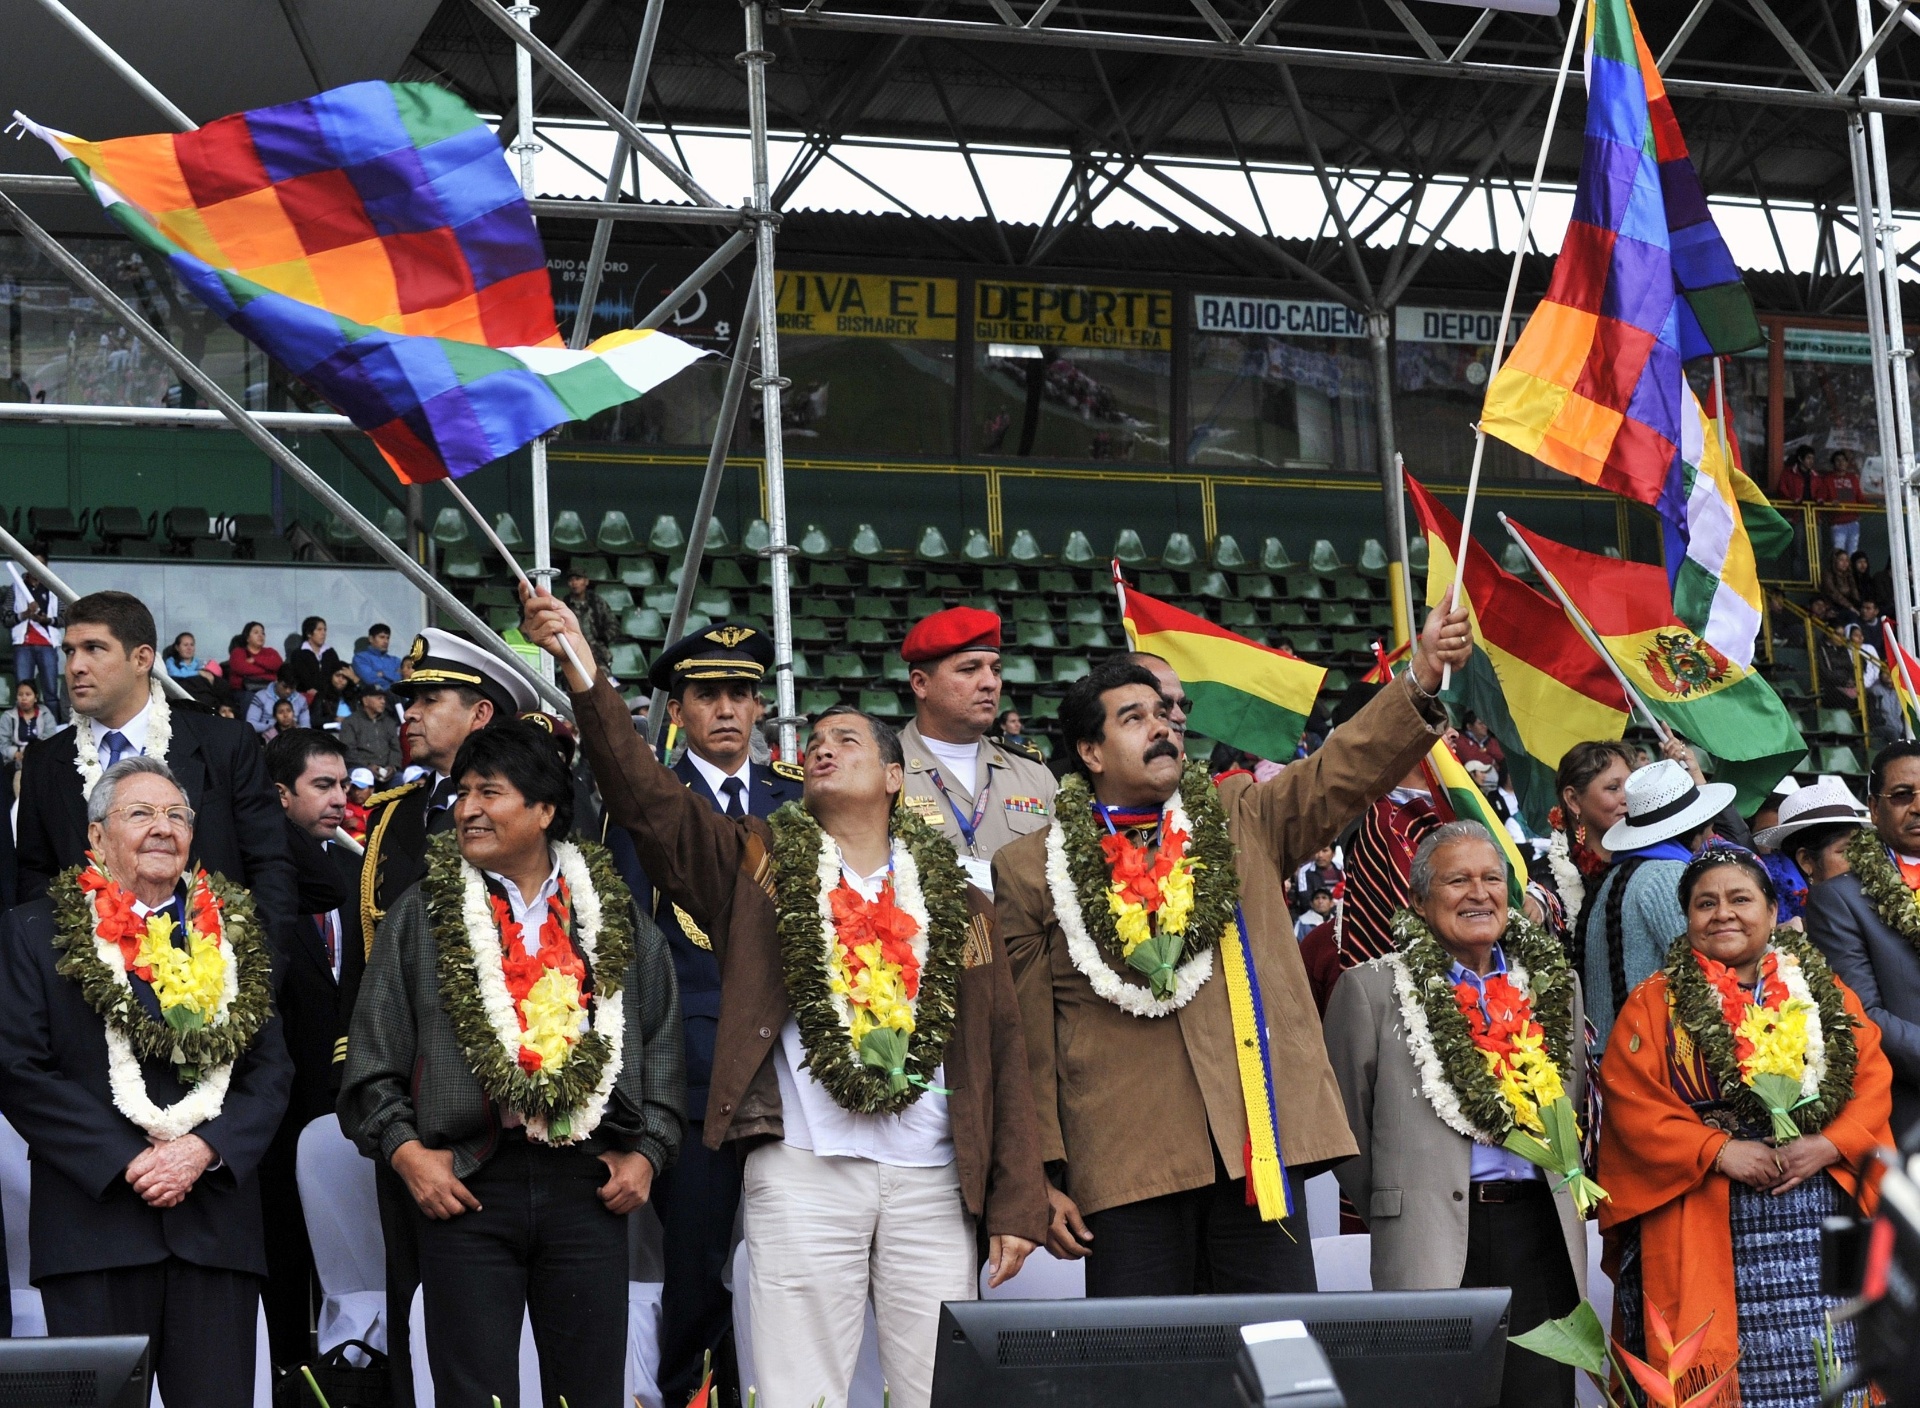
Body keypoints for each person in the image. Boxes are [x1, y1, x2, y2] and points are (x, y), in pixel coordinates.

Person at [522, 592, 1048, 1408]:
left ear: (896, 776)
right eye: (815, 741)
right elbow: (647, 803)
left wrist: (1016, 1196)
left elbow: (1001, 1053)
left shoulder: (959, 901)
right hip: (803, 1172)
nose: (822, 748)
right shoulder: (759, 869)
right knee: (798, 1395)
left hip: (934, 1186)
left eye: (846, 739)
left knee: (937, 1394)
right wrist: (582, 669)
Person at [994, 604, 1471, 1298]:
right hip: (1126, 1169)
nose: (1162, 727)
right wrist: (1039, 1175)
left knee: (1277, 1365)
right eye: (1134, 718)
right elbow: (1027, 1041)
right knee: (1150, 1374)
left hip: (1256, 1157)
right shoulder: (1030, 866)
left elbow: (1343, 769)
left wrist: (1420, 677)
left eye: (1165, 715)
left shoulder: (1240, 816)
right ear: (1090, 753)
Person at [341, 723, 684, 1407]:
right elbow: (369, 1065)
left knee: (588, 1395)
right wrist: (410, 1157)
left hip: (589, 1190)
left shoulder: (611, 915)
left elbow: (664, 1048)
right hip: (464, 1187)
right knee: (473, 1396)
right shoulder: (422, 914)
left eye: (489, 792)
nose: (466, 808)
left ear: (545, 811)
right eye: (462, 791)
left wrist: (647, 1154)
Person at [0, 755, 292, 1407]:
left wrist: (203, 1150)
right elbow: (18, 1066)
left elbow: (271, 1069)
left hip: (215, 1226)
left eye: (177, 816)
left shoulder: (235, 937)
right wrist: (129, 1159)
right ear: (97, 838)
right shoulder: (33, 931)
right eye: (141, 814)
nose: (164, 828)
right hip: (93, 1224)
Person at [1598, 849, 1894, 1404]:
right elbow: (1631, 1103)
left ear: (1774, 909)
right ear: (1685, 917)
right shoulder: (1653, 1003)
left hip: (1819, 1212)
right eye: (1705, 903)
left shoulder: (1823, 991)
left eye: (1740, 899)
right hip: (1708, 1209)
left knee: (1833, 1366)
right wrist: (1717, 1149)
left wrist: (1830, 1144)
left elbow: (1870, 1078)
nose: (1723, 914)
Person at [602, 624, 802, 1405]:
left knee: (789, 1268)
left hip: (793, 1075)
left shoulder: (797, 801)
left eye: (740, 695)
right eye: (707, 696)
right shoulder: (643, 810)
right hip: (691, 1077)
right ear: (678, 712)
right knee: (697, 1270)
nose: (727, 710)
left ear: (760, 707)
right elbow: (627, 950)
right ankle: (691, 1393)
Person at [1326, 822, 1586, 1408]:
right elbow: (1345, 1129)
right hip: (1431, 1239)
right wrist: (1402, 1206)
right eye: (1457, 880)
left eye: (1492, 878)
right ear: (1418, 902)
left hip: (1538, 1231)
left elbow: (1569, 1101)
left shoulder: (1553, 986)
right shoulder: (1368, 990)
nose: (1479, 893)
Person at [342, 628, 536, 1406]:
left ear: (482, 712)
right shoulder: (393, 813)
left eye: (429, 699)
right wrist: (363, 1083)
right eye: (408, 697)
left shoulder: (543, 809)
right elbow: (366, 958)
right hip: (410, 1099)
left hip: (521, 1100)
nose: (409, 712)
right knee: (412, 1296)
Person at [15, 591, 298, 936]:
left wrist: (252, 977)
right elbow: (34, 877)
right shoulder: (44, 762)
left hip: (216, 976)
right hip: (87, 980)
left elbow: (270, 868)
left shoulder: (226, 745)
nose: (75, 666)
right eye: (69, 651)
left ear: (142, 659)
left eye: (94, 648)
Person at [261, 729, 360, 1369]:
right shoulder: (256, 883)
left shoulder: (359, 873)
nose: (339, 799)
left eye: (344, 786)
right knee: (284, 1261)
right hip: (278, 1106)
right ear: (280, 795)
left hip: (350, 1106)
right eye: (323, 785)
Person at [1803, 739, 1920, 1141]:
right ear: (1873, 808)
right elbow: (1862, 1015)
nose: (1918, 806)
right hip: (1908, 1114)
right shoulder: (1837, 899)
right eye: (1903, 795)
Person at [1578, 759, 1734, 1052]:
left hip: (1614, 1054)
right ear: (1694, 827)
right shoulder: (1668, 875)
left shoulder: (1618, 875)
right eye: (1709, 827)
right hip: (1649, 1060)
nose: (1712, 837)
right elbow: (1701, 970)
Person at [898, 606, 1057, 891]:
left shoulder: (1033, 773)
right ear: (921, 684)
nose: (989, 683)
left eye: (995, 670)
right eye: (969, 669)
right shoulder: (882, 769)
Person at [6, 564, 64, 721]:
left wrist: (46, 620)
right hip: (23, 646)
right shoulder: (16, 587)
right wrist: (25, 614)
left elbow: (65, 618)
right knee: (23, 691)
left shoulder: (53, 587)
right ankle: (22, 729)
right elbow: (6, 618)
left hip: (47, 645)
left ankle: (54, 731)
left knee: (51, 691)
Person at [341, 683, 402, 780]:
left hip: (386, 771)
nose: (383, 702)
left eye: (384, 699)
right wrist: (368, 766)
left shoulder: (389, 722)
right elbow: (348, 751)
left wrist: (393, 766)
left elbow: (395, 748)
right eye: (379, 698)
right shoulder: (351, 722)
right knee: (363, 779)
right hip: (360, 769)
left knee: (402, 782)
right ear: (365, 700)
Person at [0, 678, 62, 771]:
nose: (24, 698)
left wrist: (34, 754)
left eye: (28, 694)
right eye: (20, 695)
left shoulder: (45, 714)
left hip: (40, 759)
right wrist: (15, 754)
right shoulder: (8, 716)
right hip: (14, 762)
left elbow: (50, 738)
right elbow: (3, 743)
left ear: (36, 697)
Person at [564, 567, 619, 671]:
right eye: (571, 580)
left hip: (597, 653)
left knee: (604, 678)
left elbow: (613, 624)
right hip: (573, 652)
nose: (574, 583)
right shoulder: (564, 605)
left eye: (578, 579)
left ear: (586, 581)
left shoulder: (597, 602)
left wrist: (603, 638)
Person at [1817, 448, 1863, 554]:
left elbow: (1860, 498)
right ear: (1833, 464)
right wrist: (1830, 503)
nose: (1841, 463)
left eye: (1843, 460)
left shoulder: (1853, 478)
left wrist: (1874, 506)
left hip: (1853, 521)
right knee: (1839, 553)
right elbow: (1820, 498)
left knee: (1853, 553)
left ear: (1847, 463)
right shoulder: (1828, 479)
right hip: (1837, 522)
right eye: (1837, 460)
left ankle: (1851, 571)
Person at [247, 666, 311, 735]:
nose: (288, 691)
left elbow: (306, 727)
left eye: (292, 688)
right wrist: (272, 725)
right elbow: (250, 724)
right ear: (277, 680)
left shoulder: (301, 700)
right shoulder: (261, 697)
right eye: (285, 686)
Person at [287, 615, 341, 695]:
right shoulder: (298, 654)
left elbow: (336, 673)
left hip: (329, 696)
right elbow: (303, 678)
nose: (323, 633)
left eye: (325, 630)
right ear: (309, 633)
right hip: (306, 696)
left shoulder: (330, 652)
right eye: (319, 630)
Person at [227, 621, 283, 697]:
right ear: (247, 638)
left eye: (262, 633)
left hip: (269, 690)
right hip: (245, 692)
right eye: (256, 633)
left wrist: (255, 660)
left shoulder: (270, 651)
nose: (260, 635)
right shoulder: (238, 652)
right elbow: (242, 669)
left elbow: (278, 664)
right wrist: (269, 671)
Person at [353, 623, 403, 692]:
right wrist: (392, 677)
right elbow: (370, 679)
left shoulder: (396, 660)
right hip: (374, 698)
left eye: (387, 638)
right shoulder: (361, 658)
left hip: (398, 698)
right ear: (371, 639)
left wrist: (383, 673)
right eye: (382, 637)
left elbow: (402, 678)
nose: (386, 641)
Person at [311, 661, 360, 729]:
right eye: (337, 676)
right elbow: (314, 720)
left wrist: (355, 679)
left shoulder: (355, 694)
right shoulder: (322, 696)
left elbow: (370, 697)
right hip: (331, 733)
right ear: (331, 676)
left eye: (344, 677)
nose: (340, 680)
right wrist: (335, 719)